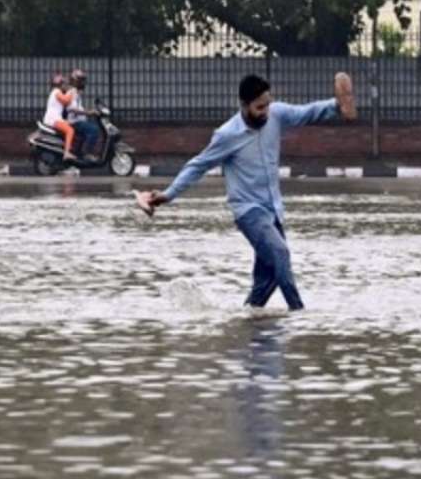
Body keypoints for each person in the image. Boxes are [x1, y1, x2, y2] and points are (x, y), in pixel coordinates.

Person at [137, 73, 357, 311]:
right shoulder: (227, 135)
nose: (265, 112)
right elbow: (198, 166)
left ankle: (249, 317)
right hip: (248, 212)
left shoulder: (276, 115)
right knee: (280, 253)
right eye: (259, 107)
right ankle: (299, 313)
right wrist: (168, 194)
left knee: (269, 277)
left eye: (268, 104)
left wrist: (337, 105)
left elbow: (306, 112)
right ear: (243, 105)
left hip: (273, 210)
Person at [66, 69, 101, 158]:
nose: (83, 83)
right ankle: (86, 153)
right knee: (94, 130)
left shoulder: (76, 93)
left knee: (92, 125)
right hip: (74, 122)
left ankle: (79, 153)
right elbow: (72, 109)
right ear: (75, 81)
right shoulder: (72, 92)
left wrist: (92, 111)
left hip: (78, 121)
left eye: (83, 80)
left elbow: (78, 108)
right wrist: (89, 112)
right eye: (81, 80)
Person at [42, 73, 77, 161]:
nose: (66, 86)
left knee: (72, 127)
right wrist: (71, 92)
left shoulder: (56, 92)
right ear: (60, 84)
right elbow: (66, 101)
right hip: (53, 119)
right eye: (64, 84)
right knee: (70, 130)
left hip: (56, 118)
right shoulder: (56, 92)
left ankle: (68, 147)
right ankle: (66, 153)